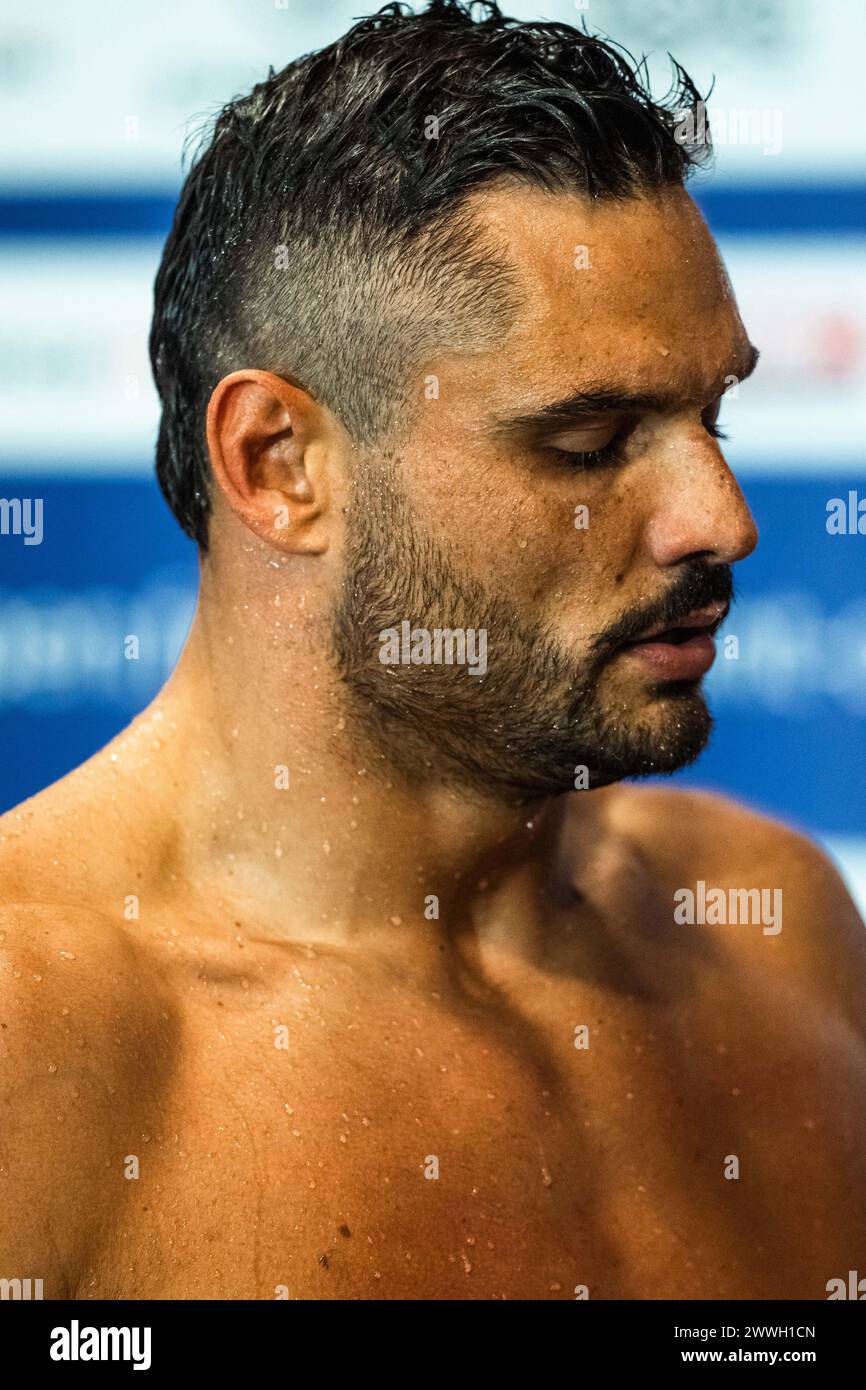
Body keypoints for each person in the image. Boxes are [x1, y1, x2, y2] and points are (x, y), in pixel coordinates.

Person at [2, 0, 864, 1300]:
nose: (720, 520)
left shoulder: (770, 927)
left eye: (711, 415)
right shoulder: (36, 1052)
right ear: (278, 466)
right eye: (585, 443)